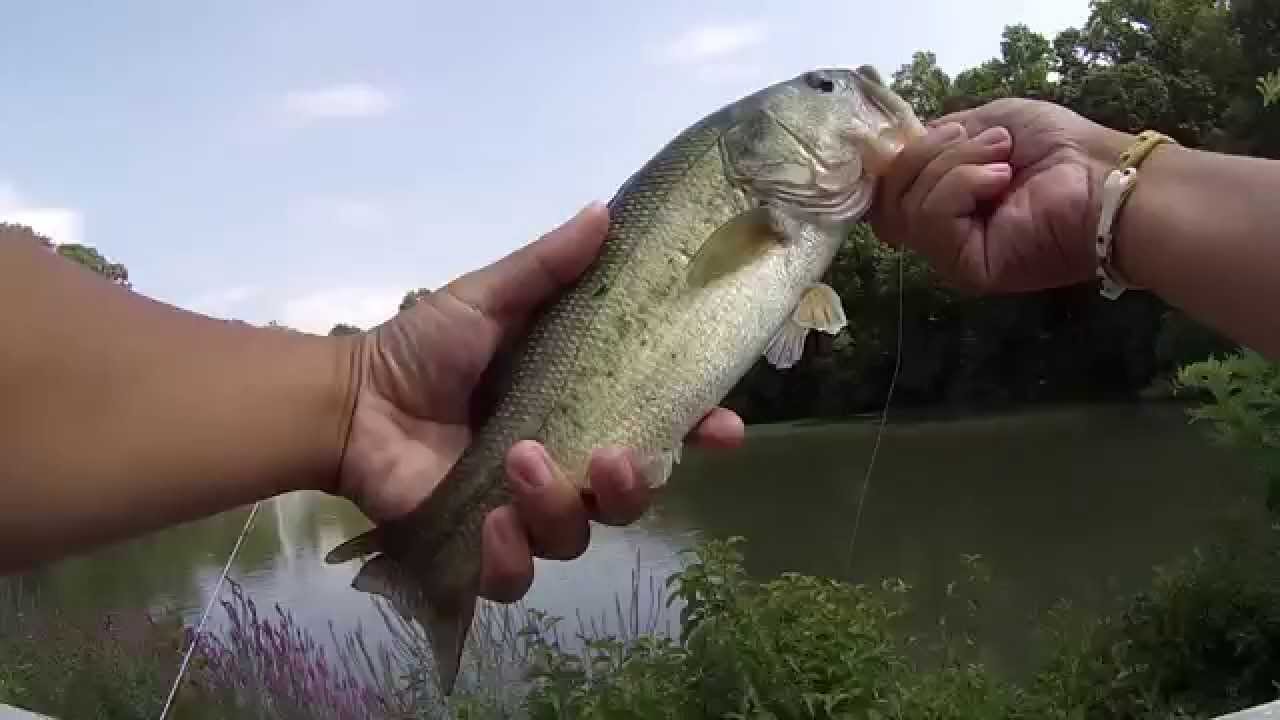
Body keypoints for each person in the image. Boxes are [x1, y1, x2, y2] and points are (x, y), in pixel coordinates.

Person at [2, 95, 1277, 603]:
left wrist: (355, 402)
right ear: (769, 154)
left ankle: (427, 552)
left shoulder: (788, 231)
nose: (872, 105)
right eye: (834, 95)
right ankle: (430, 557)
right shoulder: (750, 211)